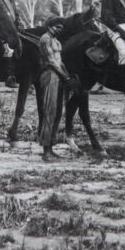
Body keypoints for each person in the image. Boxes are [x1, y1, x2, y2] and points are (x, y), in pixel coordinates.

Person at [37, 17, 76, 161]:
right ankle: (46, 150)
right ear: (49, 26)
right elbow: (51, 62)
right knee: (50, 111)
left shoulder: (56, 41)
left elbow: (60, 62)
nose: (59, 29)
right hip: (49, 75)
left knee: (58, 112)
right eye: (56, 27)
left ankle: (51, 147)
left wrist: (68, 76)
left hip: (59, 75)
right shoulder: (45, 39)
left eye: (61, 27)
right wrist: (65, 77)